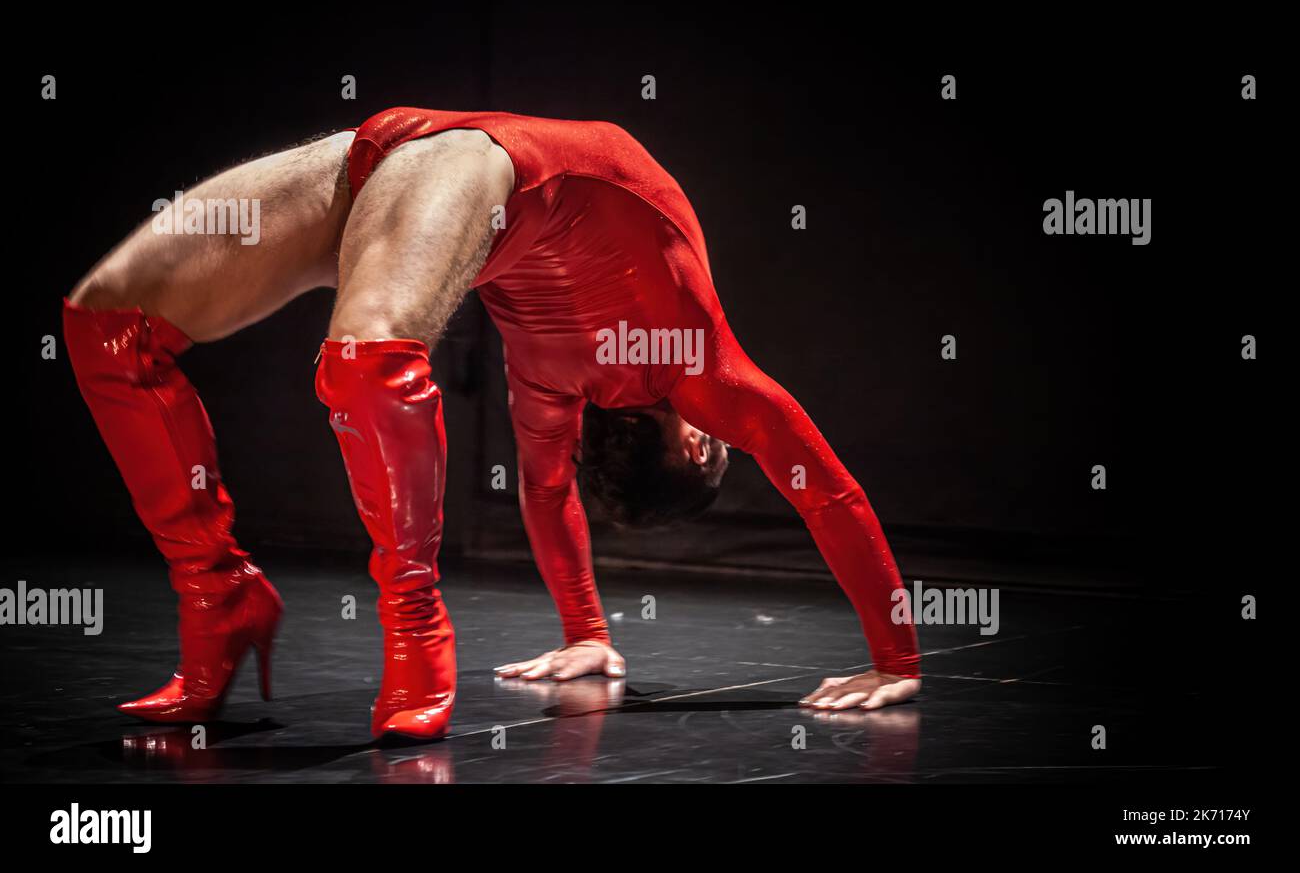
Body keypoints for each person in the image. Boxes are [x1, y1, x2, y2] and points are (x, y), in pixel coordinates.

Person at [63, 107, 920, 740]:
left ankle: (272, 605)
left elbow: (828, 494)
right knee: (110, 325)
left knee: (169, 334)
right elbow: (552, 497)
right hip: (444, 161)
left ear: (696, 444)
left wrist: (590, 632)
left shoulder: (667, 377)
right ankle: (269, 604)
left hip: (408, 166)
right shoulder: (589, 387)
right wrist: (895, 663)